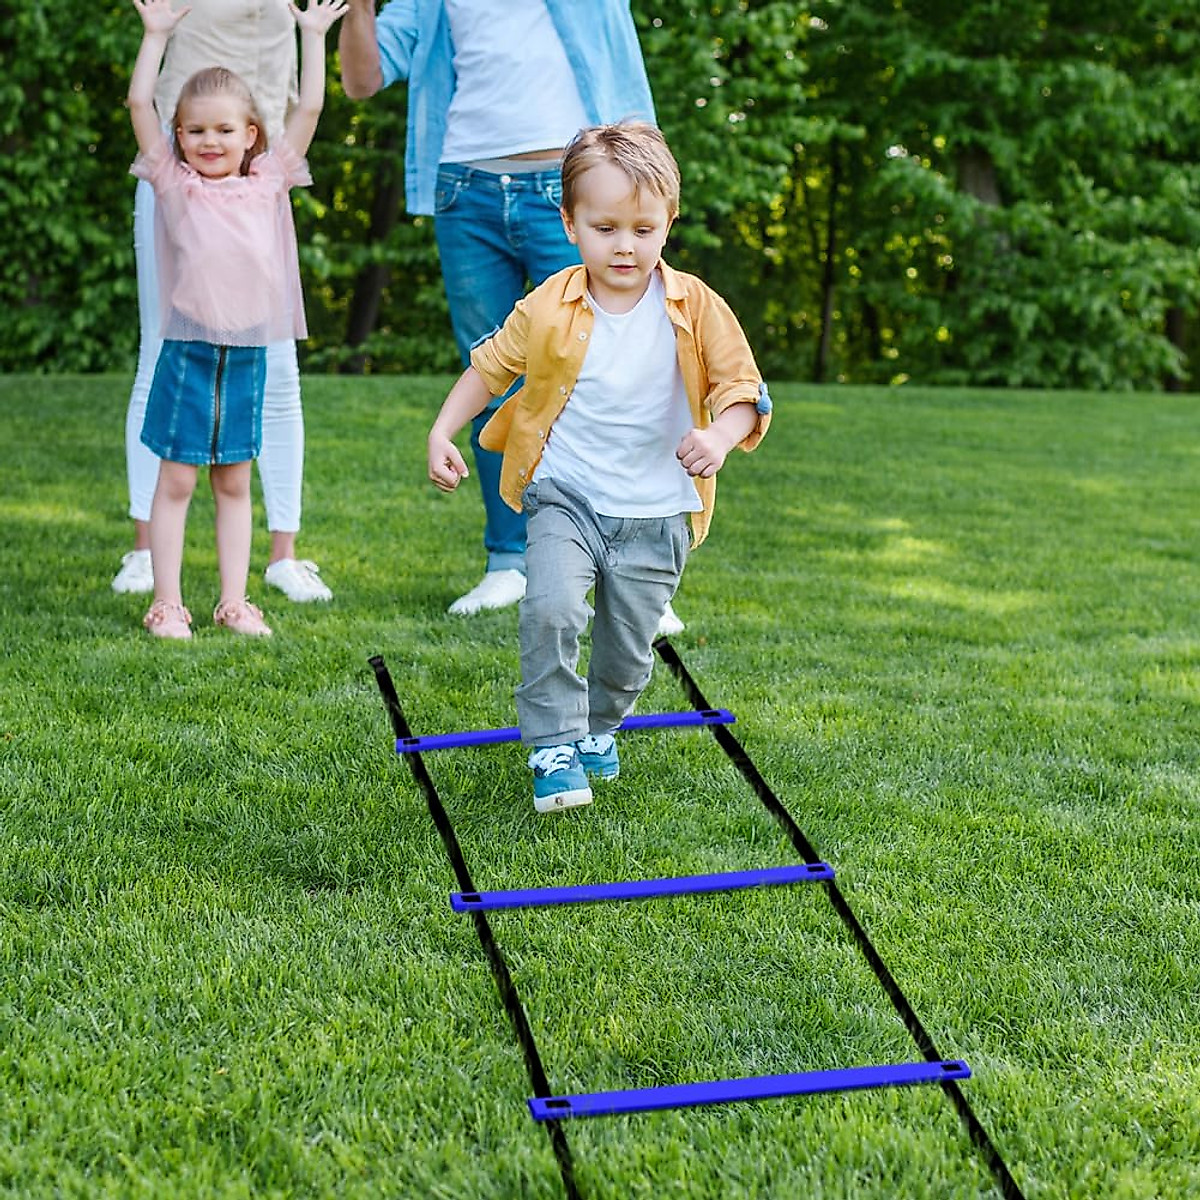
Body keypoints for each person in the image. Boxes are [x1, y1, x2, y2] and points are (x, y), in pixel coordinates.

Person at [426, 122, 772, 811]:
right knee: (551, 608)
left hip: (658, 511)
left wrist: (721, 437)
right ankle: (553, 745)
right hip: (567, 495)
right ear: (570, 223)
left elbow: (744, 389)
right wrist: (442, 430)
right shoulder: (548, 304)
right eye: (605, 227)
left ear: (668, 223)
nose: (624, 246)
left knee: (627, 652)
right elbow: (490, 368)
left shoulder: (697, 305)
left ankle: (598, 726)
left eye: (643, 230)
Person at [338, 0, 683, 633]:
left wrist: (645, 185)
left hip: (575, 189)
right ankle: (508, 561)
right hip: (465, 191)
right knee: (494, 376)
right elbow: (362, 80)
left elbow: (624, 78)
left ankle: (630, 572)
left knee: (607, 374)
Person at [127, 0, 346, 639]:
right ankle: (167, 603)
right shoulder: (175, 185)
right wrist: (155, 35)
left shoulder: (268, 183)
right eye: (195, 131)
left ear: (251, 134)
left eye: (224, 129)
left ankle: (234, 602)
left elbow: (310, 108)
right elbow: (139, 104)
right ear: (179, 137)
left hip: (246, 356)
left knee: (233, 483)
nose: (209, 141)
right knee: (176, 481)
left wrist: (312, 36)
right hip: (189, 355)